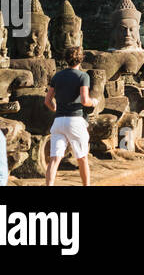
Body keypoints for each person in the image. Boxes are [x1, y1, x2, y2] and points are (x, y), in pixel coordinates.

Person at [44, 45, 98, 186]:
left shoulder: (57, 76)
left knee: (54, 159)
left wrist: (56, 109)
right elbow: (85, 100)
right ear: (81, 59)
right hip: (75, 121)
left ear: (66, 59)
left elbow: (47, 100)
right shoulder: (83, 76)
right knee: (82, 158)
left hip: (58, 121)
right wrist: (94, 102)